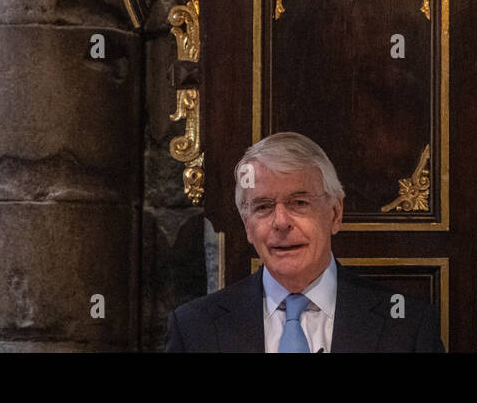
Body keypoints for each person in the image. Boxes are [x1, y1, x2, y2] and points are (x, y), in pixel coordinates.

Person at [165, 131, 444, 353]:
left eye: (299, 203)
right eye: (263, 207)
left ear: (335, 214)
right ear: (247, 225)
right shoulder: (194, 329)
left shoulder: (407, 327)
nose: (281, 222)